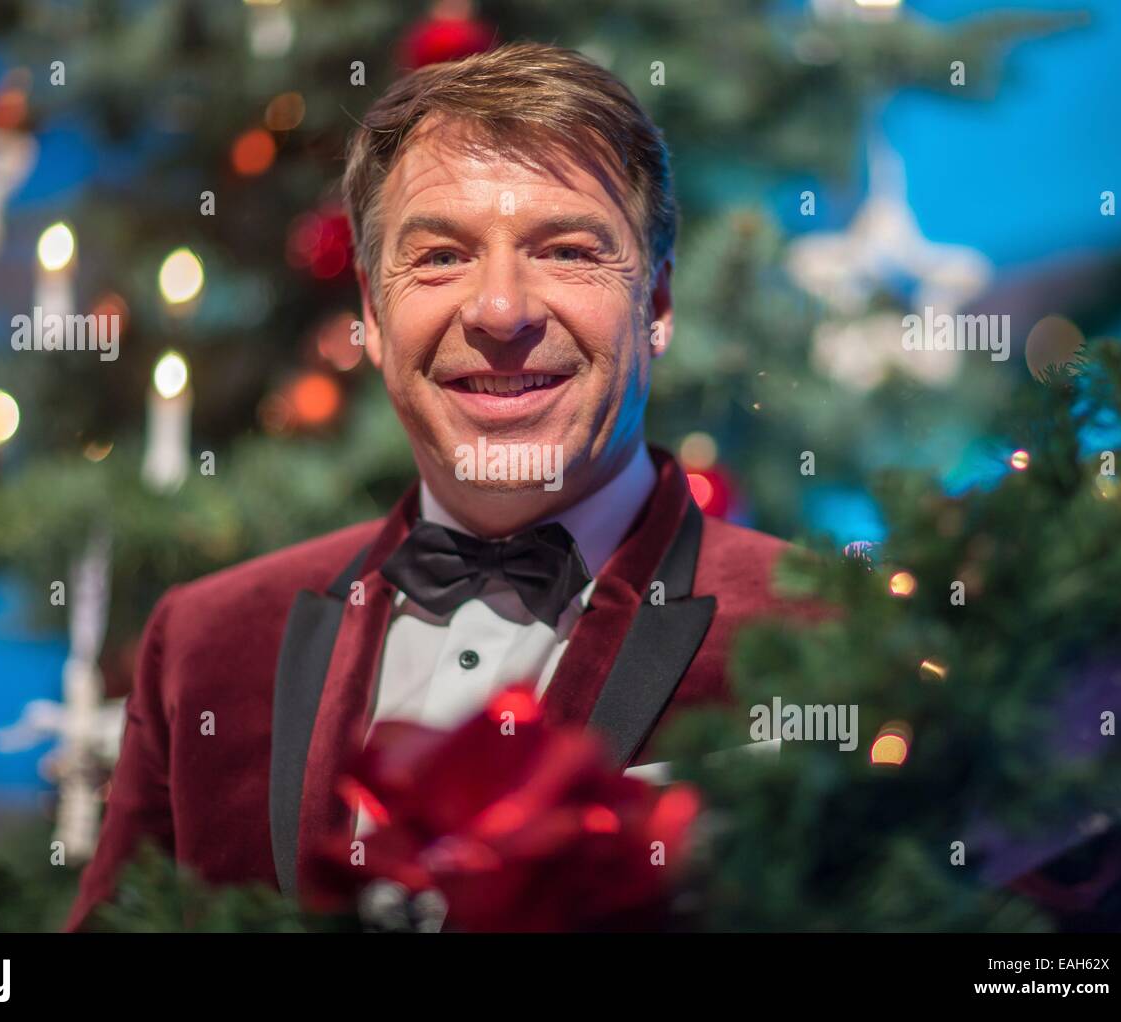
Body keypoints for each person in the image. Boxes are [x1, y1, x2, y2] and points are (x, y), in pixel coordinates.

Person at [65, 41, 814, 931]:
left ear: (654, 305)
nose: (500, 310)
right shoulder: (203, 643)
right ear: (374, 318)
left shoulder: (822, 632)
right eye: (441, 256)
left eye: (566, 250)